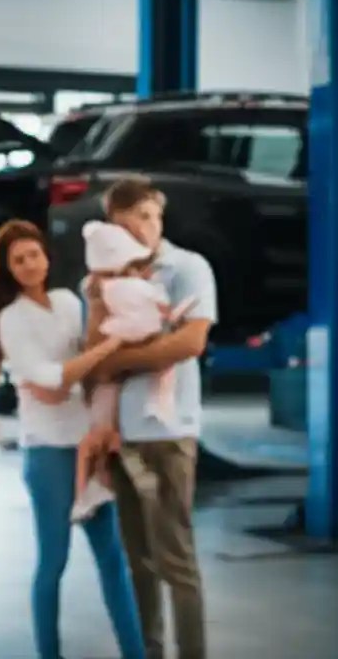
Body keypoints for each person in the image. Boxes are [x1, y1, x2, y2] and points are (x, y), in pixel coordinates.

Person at [0, 219, 146, 659]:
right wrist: (103, 352)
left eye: (34, 254)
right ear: (8, 269)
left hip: (87, 443)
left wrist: (72, 374)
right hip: (49, 453)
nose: (30, 264)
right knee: (53, 562)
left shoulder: (69, 302)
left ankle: (136, 653)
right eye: (19, 260)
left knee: (113, 560)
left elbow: (65, 380)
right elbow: (52, 382)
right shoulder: (11, 320)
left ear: (47, 257)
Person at [83, 176, 217, 659]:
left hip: (168, 434)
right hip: (120, 438)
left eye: (149, 216)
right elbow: (91, 355)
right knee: (138, 563)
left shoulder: (187, 268)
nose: (142, 229)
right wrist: (100, 308)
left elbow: (189, 343)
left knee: (175, 560)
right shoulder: (101, 280)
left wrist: (121, 360)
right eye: (129, 221)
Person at [71, 220, 197, 525]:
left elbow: (94, 347)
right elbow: (167, 313)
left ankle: (92, 488)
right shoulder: (140, 288)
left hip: (114, 354)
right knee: (105, 431)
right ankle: (96, 486)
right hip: (138, 342)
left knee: (98, 433)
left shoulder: (97, 289)